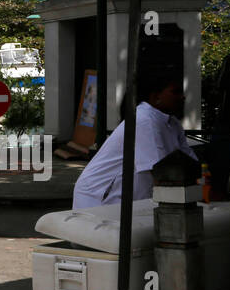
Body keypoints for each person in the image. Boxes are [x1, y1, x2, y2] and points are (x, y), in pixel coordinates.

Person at [72, 69, 195, 208]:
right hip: (100, 198)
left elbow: (190, 163)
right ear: (156, 97)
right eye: (175, 92)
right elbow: (160, 173)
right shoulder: (144, 120)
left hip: (129, 200)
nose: (182, 97)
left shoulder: (173, 123)